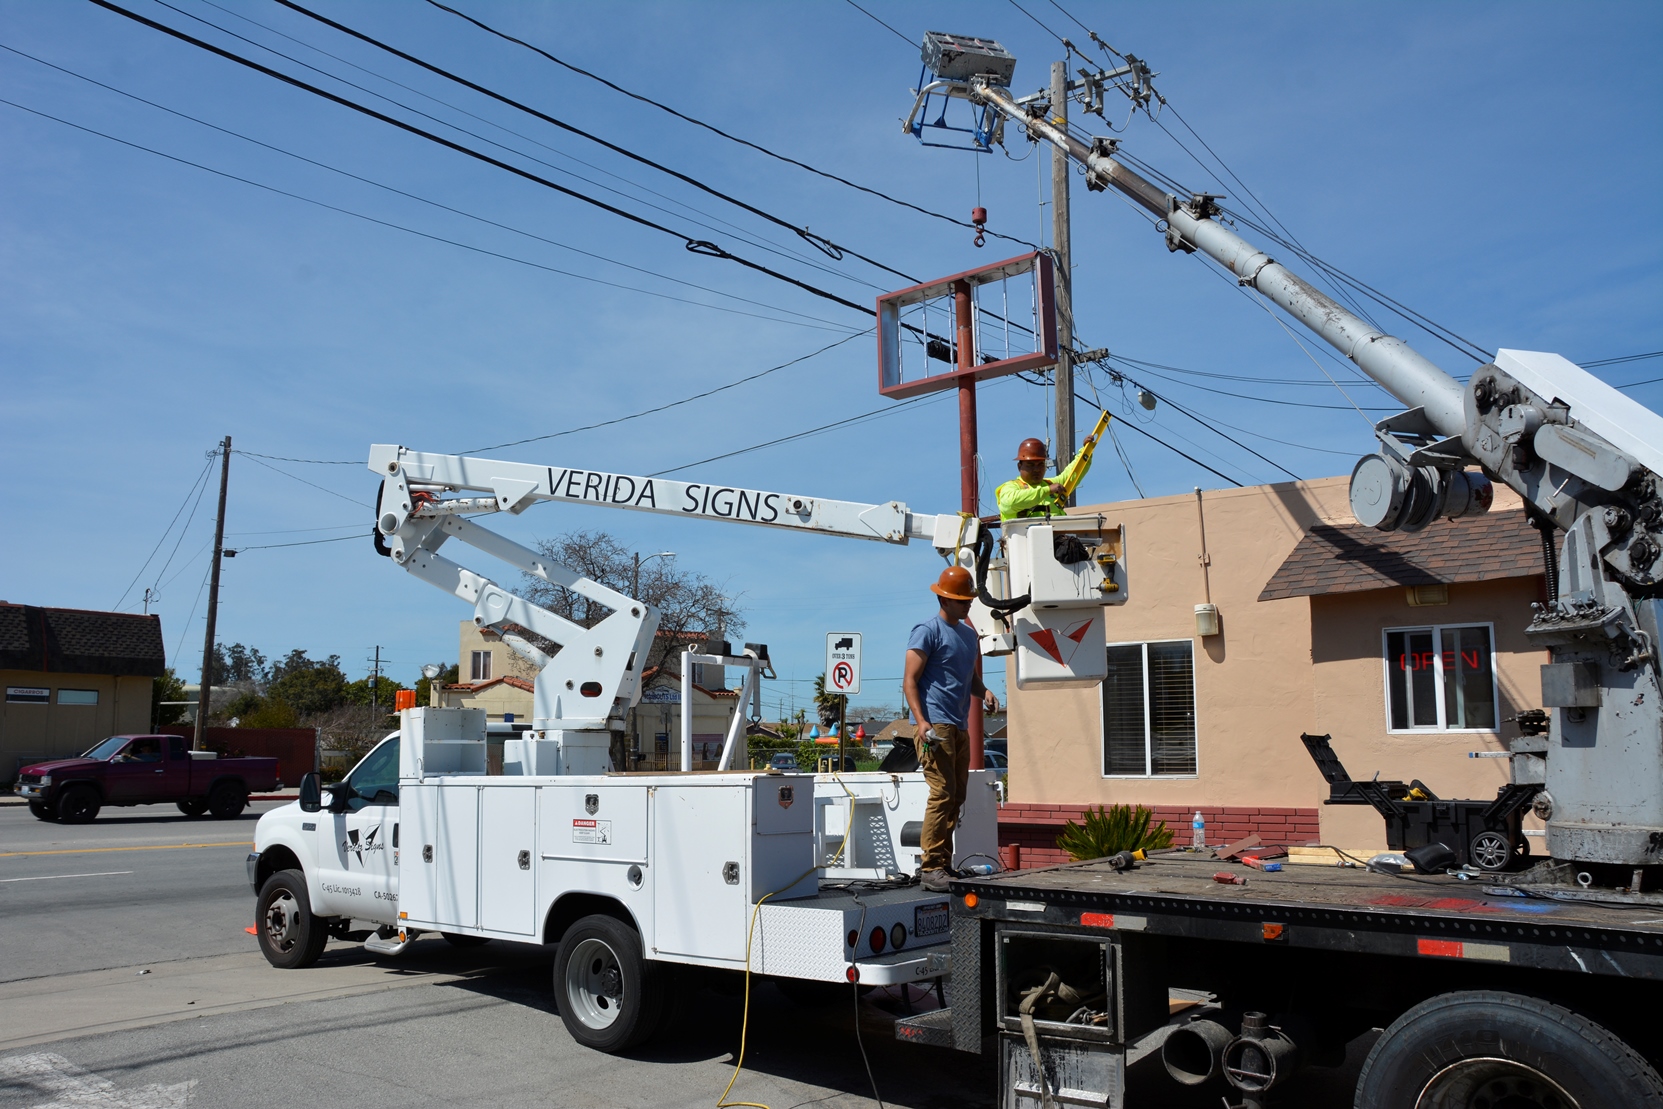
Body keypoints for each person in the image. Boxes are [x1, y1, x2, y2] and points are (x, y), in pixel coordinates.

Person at [903, 565, 999, 893]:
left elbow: (968, 678)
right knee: (942, 793)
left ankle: (943, 865)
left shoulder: (969, 635)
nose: (967, 604)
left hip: (958, 726)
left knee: (957, 795)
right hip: (936, 727)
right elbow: (910, 680)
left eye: (969, 599)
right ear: (943, 599)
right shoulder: (926, 631)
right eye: (961, 599)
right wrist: (921, 721)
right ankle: (930, 868)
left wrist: (983, 691)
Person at [995, 436, 1096, 521]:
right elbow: (1011, 502)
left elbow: (1074, 472)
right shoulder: (1011, 487)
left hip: (1057, 540)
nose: (1036, 469)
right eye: (1030, 465)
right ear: (1019, 466)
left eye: (1040, 464)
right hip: (1025, 542)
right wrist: (1047, 491)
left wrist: (1086, 450)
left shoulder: (1051, 484)